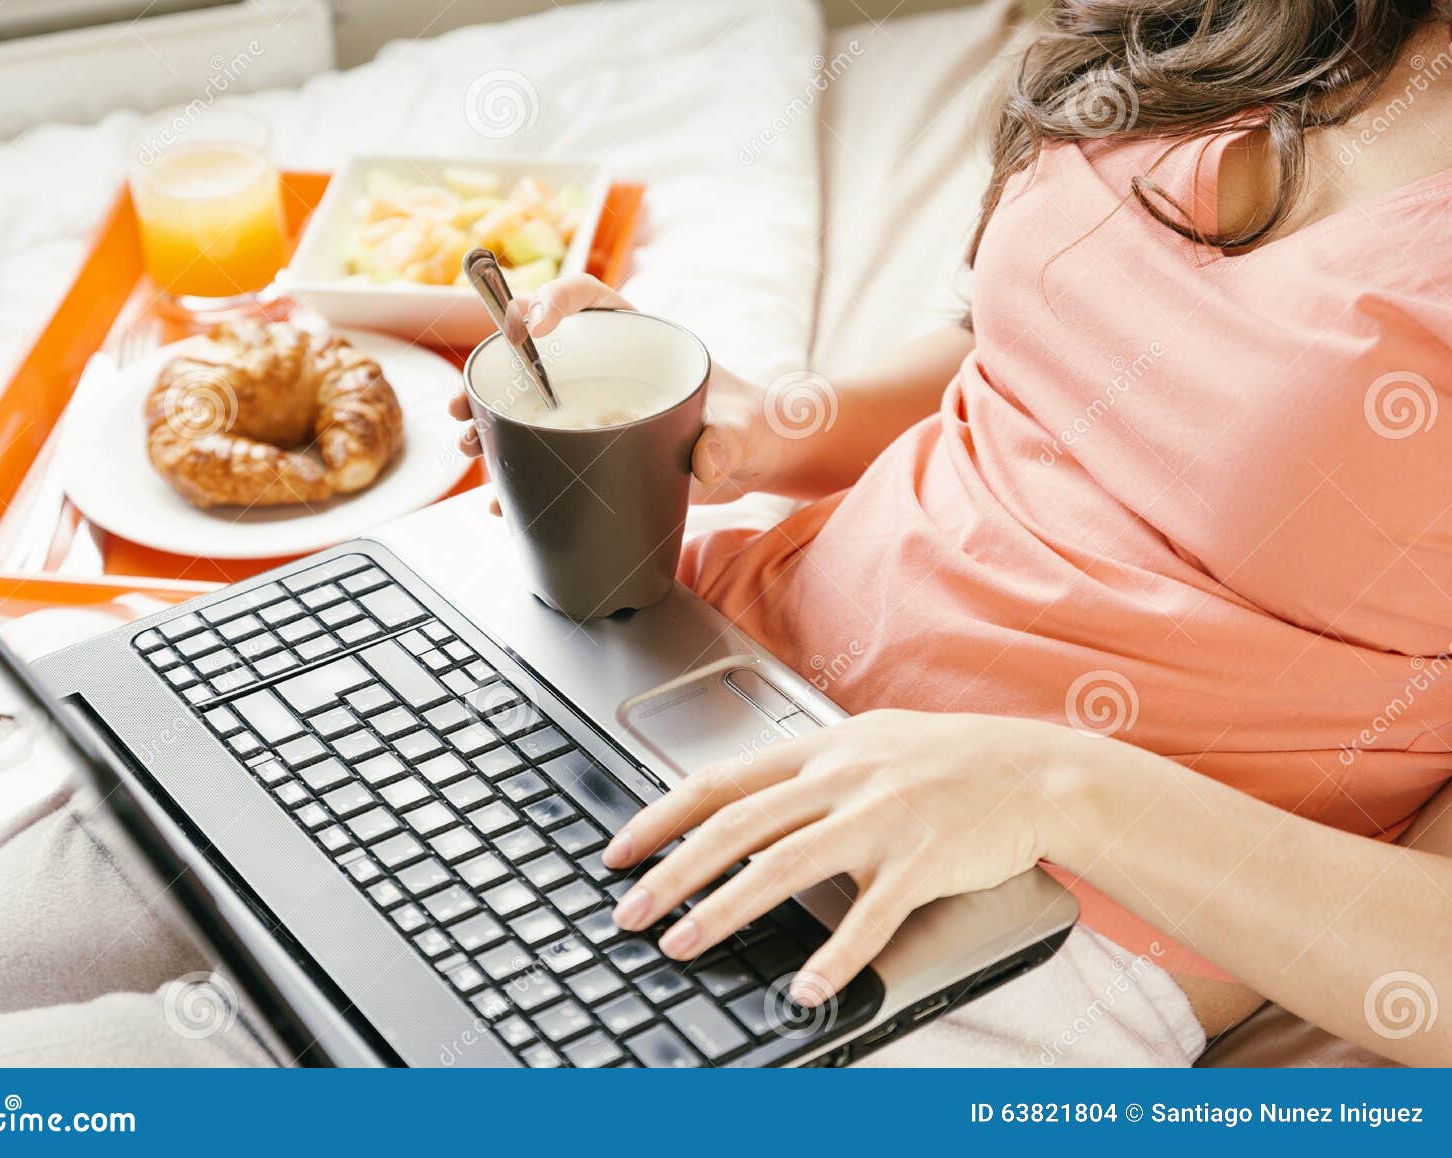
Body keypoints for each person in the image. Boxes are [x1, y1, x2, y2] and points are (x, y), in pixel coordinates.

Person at [452, 1, 1452, 1065]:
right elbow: (1041, 358)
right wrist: (772, 425)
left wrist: (1053, 790)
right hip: (710, 663)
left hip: (1041, 921)